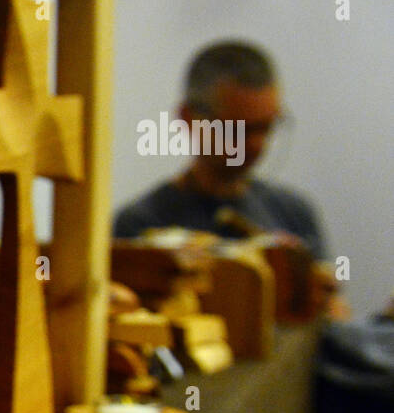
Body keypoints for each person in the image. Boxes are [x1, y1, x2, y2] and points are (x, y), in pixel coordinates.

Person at [114, 40, 326, 257]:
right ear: (189, 118)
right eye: (236, 130)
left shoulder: (294, 215)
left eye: (266, 127)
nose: (256, 144)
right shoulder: (140, 227)